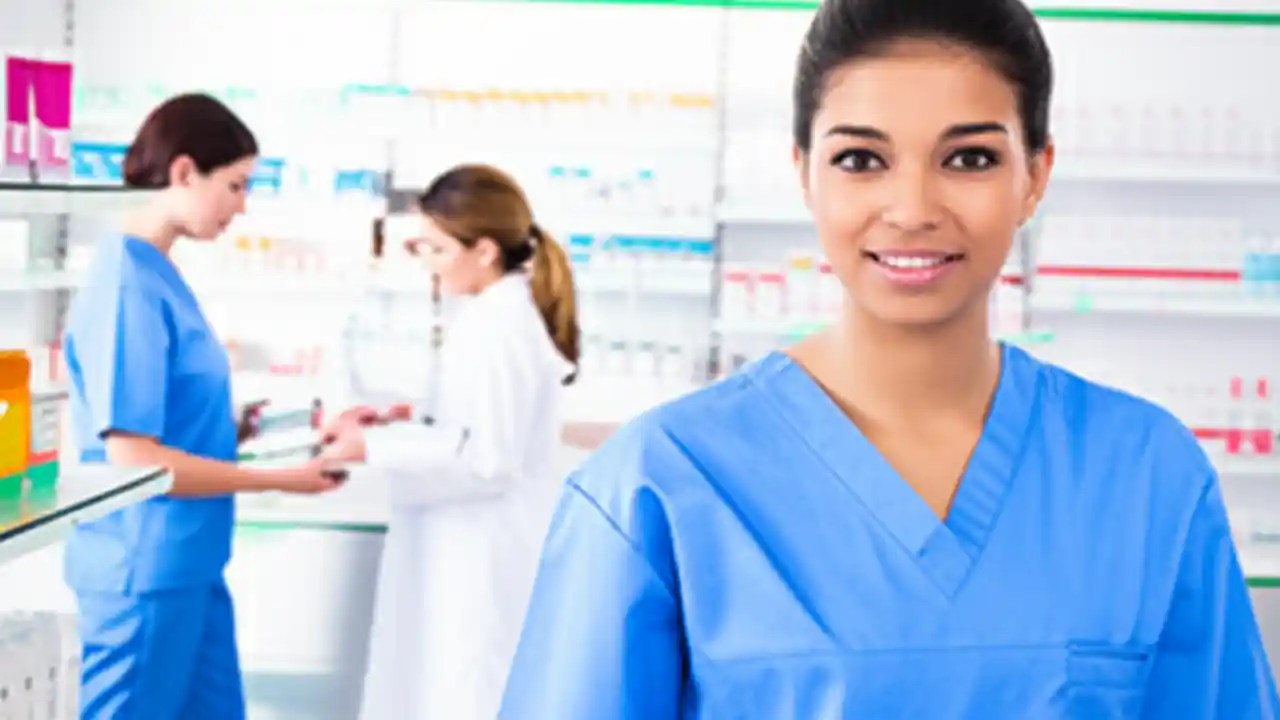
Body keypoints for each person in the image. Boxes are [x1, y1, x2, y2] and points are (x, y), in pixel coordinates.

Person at [499, 0, 1280, 717]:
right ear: (803, 170)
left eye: (968, 159)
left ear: (1035, 175)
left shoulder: (1144, 474)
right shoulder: (659, 485)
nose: (911, 210)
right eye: (861, 160)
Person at [61, 93, 342, 720]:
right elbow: (134, 456)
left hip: (190, 566)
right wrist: (275, 480)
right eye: (236, 185)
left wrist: (235, 428)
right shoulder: (126, 283)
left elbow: (163, 420)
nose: (243, 206)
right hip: (144, 570)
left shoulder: (158, 271)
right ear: (185, 172)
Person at [321, 163, 580, 719]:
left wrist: (372, 448)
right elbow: (471, 429)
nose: (428, 267)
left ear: (484, 250)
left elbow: (489, 460)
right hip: (463, 552)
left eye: (436, 250)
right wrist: (400, 421)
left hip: (481, 560)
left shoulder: (502, 325)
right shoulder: (490, 316)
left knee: (468, 694)